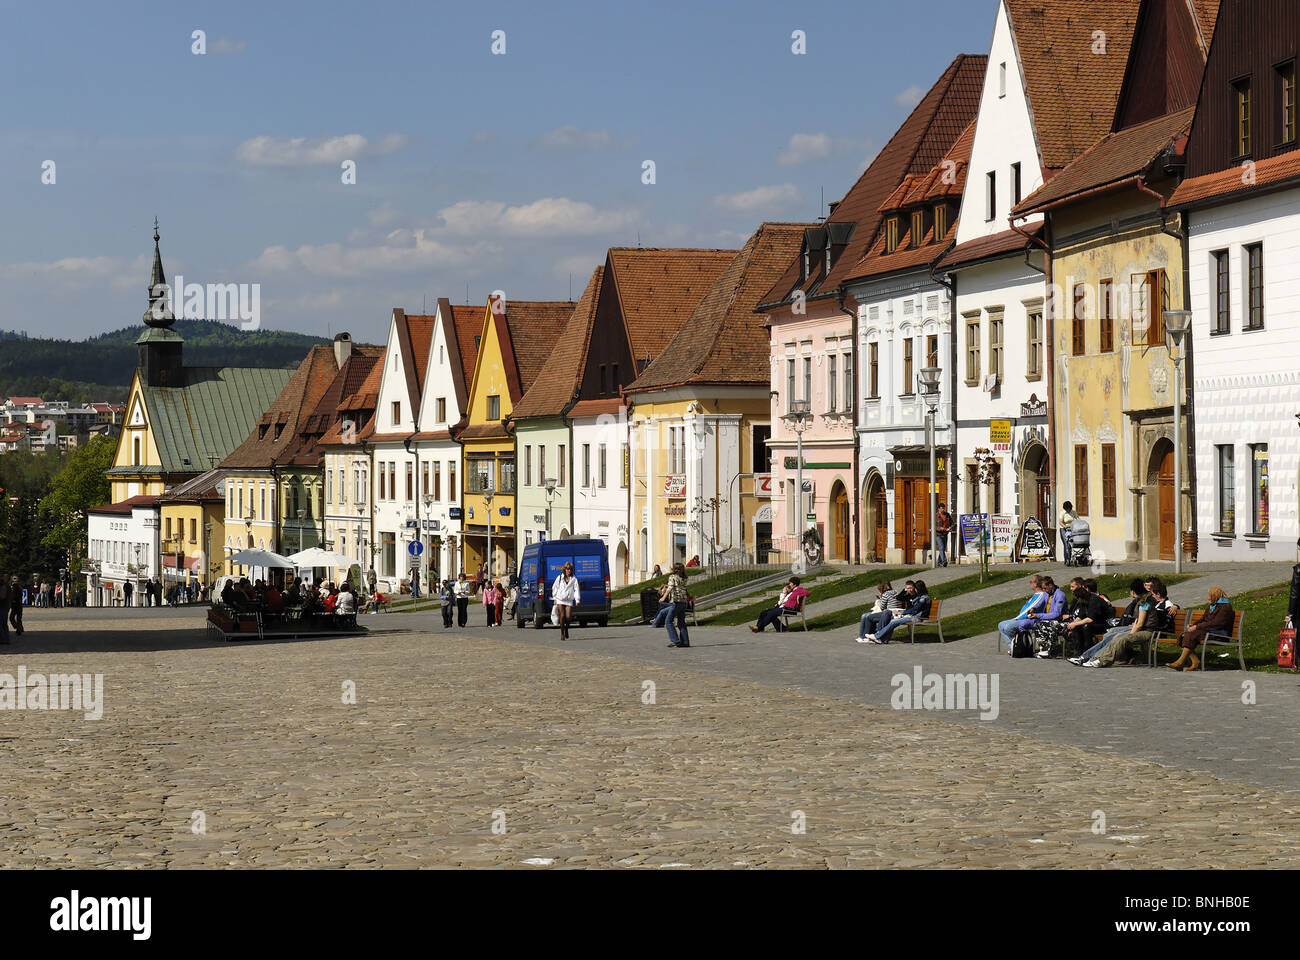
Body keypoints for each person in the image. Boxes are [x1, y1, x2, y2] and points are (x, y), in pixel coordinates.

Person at [1079, 578, 1177, 668]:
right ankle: (1093, 657)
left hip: (1152, 631)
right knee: (1113, 634)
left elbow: (1141, 623)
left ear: (1157, 594)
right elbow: (1139, 621)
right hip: (1143, 628)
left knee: (1120, 638)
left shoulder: (1149, 603)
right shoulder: (1150, 602)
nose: (1150, 593)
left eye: (1151, 591)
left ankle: (1101, 659)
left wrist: (1175, 606)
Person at [1170, 587, 1234, 672]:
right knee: (1184, 635)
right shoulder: (1212, 606)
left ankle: (1180, 662)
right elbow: (1203, 619)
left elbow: (1217, 623)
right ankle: (1195, 662)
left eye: (1210, 596)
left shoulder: (1225, 607)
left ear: (1216, 596)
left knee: (1192, 634)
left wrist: (1197, 627)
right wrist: (1193, 625)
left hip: (1219, 634)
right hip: (1208, 631)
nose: (1208, 598)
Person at [863, 580, 931, 644]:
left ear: (919, 588)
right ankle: (883, 639)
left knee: (893, 622)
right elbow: (899, 598)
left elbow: (915, 609)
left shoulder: (923, 598)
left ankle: (877, 636)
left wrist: (902, 613)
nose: (914, 590)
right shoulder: (921, 597)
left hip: (918, 618)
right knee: (892, 620)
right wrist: (904, 590)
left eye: (915, 588)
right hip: (913, 616)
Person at [1061, 577, 1112, 659]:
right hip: (1093, 624)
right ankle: (1078, 652)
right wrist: (1073, 624)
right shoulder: (1083, 602)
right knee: (1078, 627)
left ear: (1081, 598)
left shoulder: (1094, 600)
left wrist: (1076, 623)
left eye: (1078, 599)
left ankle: (1087, 652)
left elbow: (1090, 619)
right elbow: (1080, 616)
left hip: (1102, 624)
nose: (1078, 601)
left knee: (1086, 627)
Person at [997, 575, 1046, 652]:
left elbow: (1029, 610)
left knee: (1008, 627)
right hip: (1019, 618)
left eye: (1031, 582)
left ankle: (1018, 646)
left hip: (1029, 620)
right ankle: (1013, 647)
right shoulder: (1035, 595)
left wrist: (1018, 619)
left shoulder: (1041, 595)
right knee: (1000, 625)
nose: (1030, 583)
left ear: (1036, 584)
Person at [661, 562, 691, 648]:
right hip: (684, 601)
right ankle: (685, 642)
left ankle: (675, 640)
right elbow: (684, 588)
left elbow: (670, 588)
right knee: (681, 623)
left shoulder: (672, 577)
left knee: (668, 621)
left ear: (674, 569)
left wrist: (663, 598)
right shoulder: (684, 578)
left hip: (676, 601)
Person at [550, 561, 581, 640]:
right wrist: (554, 598)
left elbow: (576, 589)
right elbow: (555, 587)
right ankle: (562, 633)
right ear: (564, 569)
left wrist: (577, 600)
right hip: (560, 599)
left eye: (570, 569)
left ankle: (566, 629)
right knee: (562, 615)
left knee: (568, 617)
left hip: (569, 600)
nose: (569, 570)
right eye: (567, 569)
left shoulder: (574, 579)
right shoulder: (559, 577)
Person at [0, 575, 10, 644]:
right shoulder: (7, 586)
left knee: (2, 624)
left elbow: (2, 597)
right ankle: (6, 639)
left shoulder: (4, 587)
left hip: (2, 607)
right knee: (4, 624)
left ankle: (4, 639)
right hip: (4, 607)